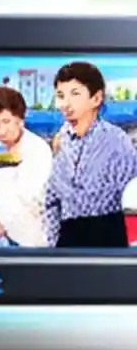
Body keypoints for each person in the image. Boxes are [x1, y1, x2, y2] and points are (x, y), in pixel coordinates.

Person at [44, 61, 137, 247]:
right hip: (67, 237)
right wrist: (53, 244)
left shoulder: (116, 140)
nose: (66, 103)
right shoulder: (60, 141)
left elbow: (130, 191)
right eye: (60, 96)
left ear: (96, 98)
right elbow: (52, 198)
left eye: (75, 94)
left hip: (106, 233)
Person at [0, 86, 52, 247]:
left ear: (20, 119)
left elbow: (37, 200)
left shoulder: (37, 150)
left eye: (6, 122)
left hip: (28, 242)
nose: (1, 131)